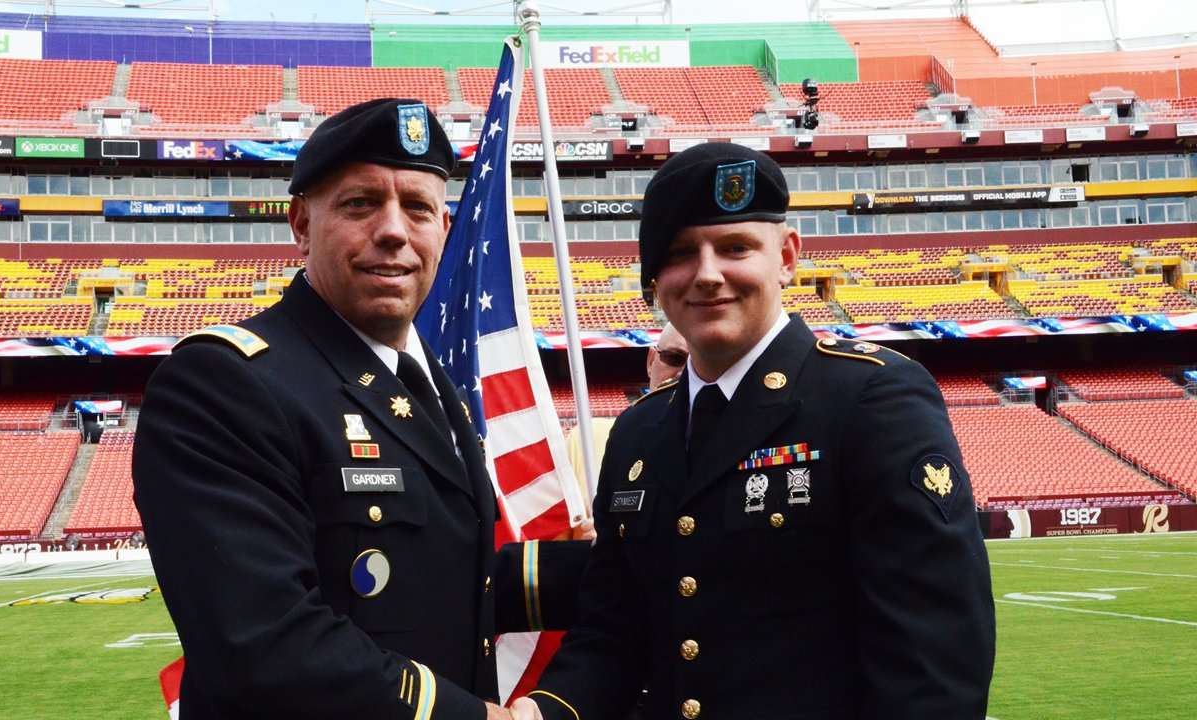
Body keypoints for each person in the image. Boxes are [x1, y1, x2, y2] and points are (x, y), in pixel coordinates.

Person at [133, 98, 587, 720]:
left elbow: (441, 577)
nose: (394, 230)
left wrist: (606, 569)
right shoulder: (222, 382)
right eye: (361, 204)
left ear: (443, 229)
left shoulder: (429, 384)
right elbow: (267, 642)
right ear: (301, 224)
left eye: (418, 207)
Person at [512, 142, 995, 720]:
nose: (707, 274)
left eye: (735, 247)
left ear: (787, 257)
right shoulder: (639, 431)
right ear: (654, 278)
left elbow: (934, 661)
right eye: (680, 253)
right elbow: (612, 633)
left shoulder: (870, 398)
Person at [565, 322, 690, 526]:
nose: (684, 373)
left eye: (701, 362)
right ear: (651, 361)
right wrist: (582, 538)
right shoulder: (585, 440)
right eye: (674, 358)